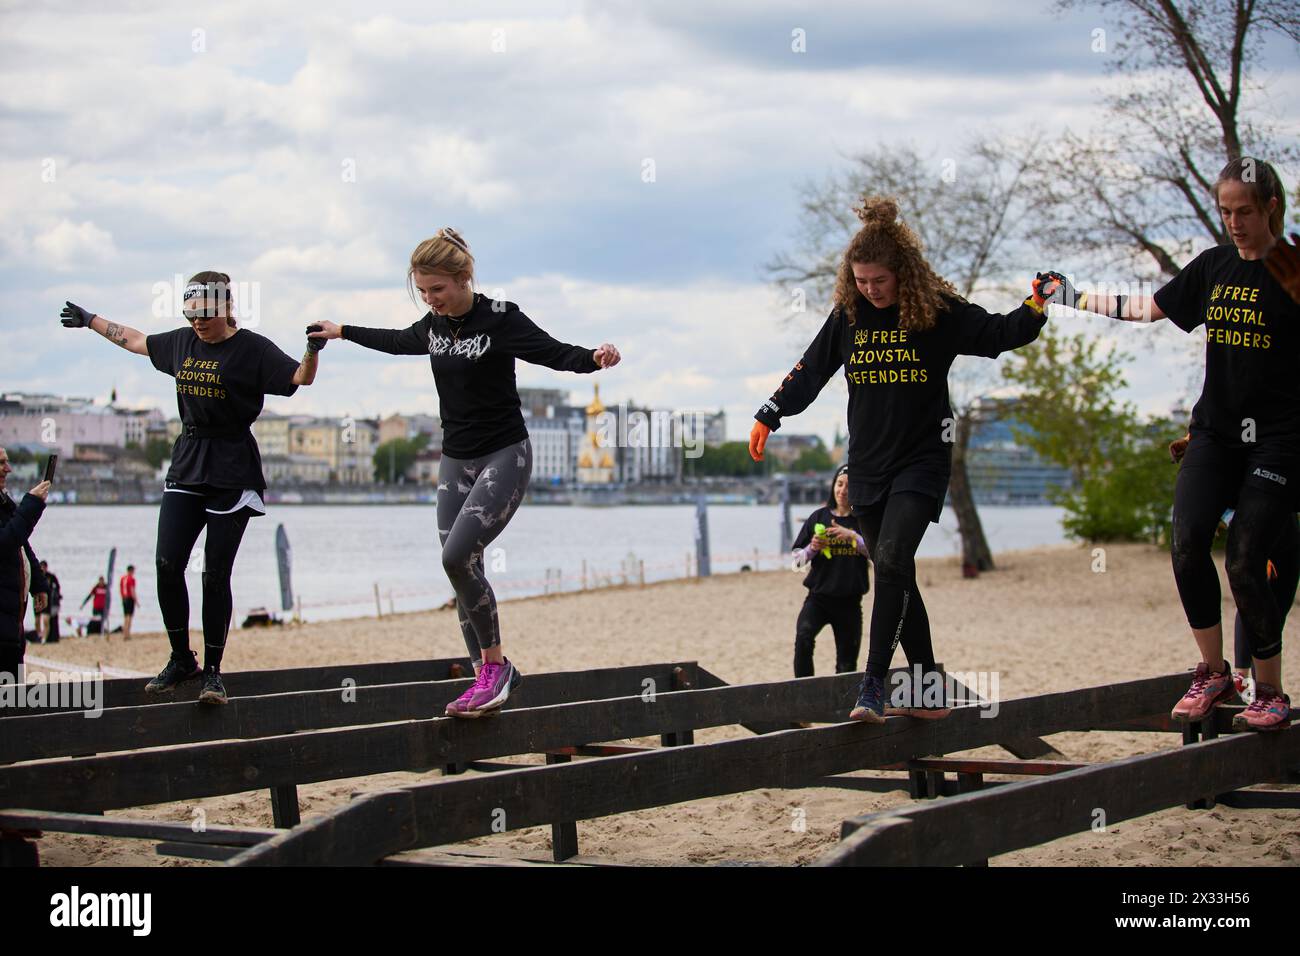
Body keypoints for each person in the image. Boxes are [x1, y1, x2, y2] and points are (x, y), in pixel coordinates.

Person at [749, 196, 1052, 722]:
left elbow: (1000, 334)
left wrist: (1037, 306)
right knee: (898, 573)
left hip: (922, 461)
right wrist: (770, 412)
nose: (871, 290)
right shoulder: (847, 318)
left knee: (889, 561)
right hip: (867, 466)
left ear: (902, 273)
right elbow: (811, 369)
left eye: (879, 281)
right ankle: (928, 685)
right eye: (861, 281)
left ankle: (872, 685)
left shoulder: (934, 311)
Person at [308, 228, 621, 717]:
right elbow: (393, 341)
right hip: (455, 460)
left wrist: (594, 358)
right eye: (422, 291)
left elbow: (554, 352)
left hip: (504, 455)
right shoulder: (432, 328)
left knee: (457, 557)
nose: (430, 300)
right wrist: (342, 330)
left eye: (438, 289)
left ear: (463, 278)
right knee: (461, 571)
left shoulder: (500, 318)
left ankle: (497, 671)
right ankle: (484, 677)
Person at [1068, 157, 1295, 730]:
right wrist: (1073, 297)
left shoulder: (1291, 265)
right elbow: (1147, 310)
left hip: (1277, 442)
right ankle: (1213, 670)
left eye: (1245, 211)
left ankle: (1268, 691)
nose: (1235, 222)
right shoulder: (1215, 266)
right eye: (1225, 211)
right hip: (1213, 434)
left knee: (1245, 562)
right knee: (1187, 540)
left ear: (1271, 206)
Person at [60, 270, 324, 705]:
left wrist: (312, 349)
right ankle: (182, 658)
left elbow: (300, 378)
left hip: (233, 469)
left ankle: (214, 674)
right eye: (190, 314)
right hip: (187, 461)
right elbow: (134, 339)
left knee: (214, 574)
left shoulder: (252, 348)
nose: (198, 322)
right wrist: (91, 320)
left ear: (226, 307)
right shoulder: (183, 343)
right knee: (167, 563)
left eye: (205, 314)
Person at [790, 464, 870, 677]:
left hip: (850, 603)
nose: (843, 491)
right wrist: (812, 548)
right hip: (818, 599)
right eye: (839, 484)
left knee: (846, 666)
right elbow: (796, 562)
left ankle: (841, 707)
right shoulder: (818, 517)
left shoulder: (862, 520)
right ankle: (804, 689)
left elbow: (878, 555)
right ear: (833, 485)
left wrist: (852, 536)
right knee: (803, 638)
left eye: (849, 487)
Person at [0, 446, 50, 679]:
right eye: (1, 463)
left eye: (7, 462)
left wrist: (39, 584)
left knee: (15, 699)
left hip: (12, 626)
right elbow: (5, 542)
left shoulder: (4, 502)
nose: (7, 469)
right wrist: (31, 505)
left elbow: (21, 544)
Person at [37, 561, 61, 644]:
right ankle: (39, 635)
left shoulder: (51, 576)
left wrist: (56, 595)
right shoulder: (38, 576)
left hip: (48, 601)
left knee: (46, 620)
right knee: (37, 620)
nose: (43, 568)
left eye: (44, 567)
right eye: (41, 567)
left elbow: (57, 586)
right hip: (39, 600)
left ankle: (44, 638)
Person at [119, 564, 138, 640]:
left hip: (124, 598)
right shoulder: (131, 579)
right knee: (129, 617)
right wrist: (136, 600)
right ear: (131, 571)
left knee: (125, 617)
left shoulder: (123, 578)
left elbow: (120, 589)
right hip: (130, 599)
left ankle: (125, 634)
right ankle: (128, 634)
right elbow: (132, 590)